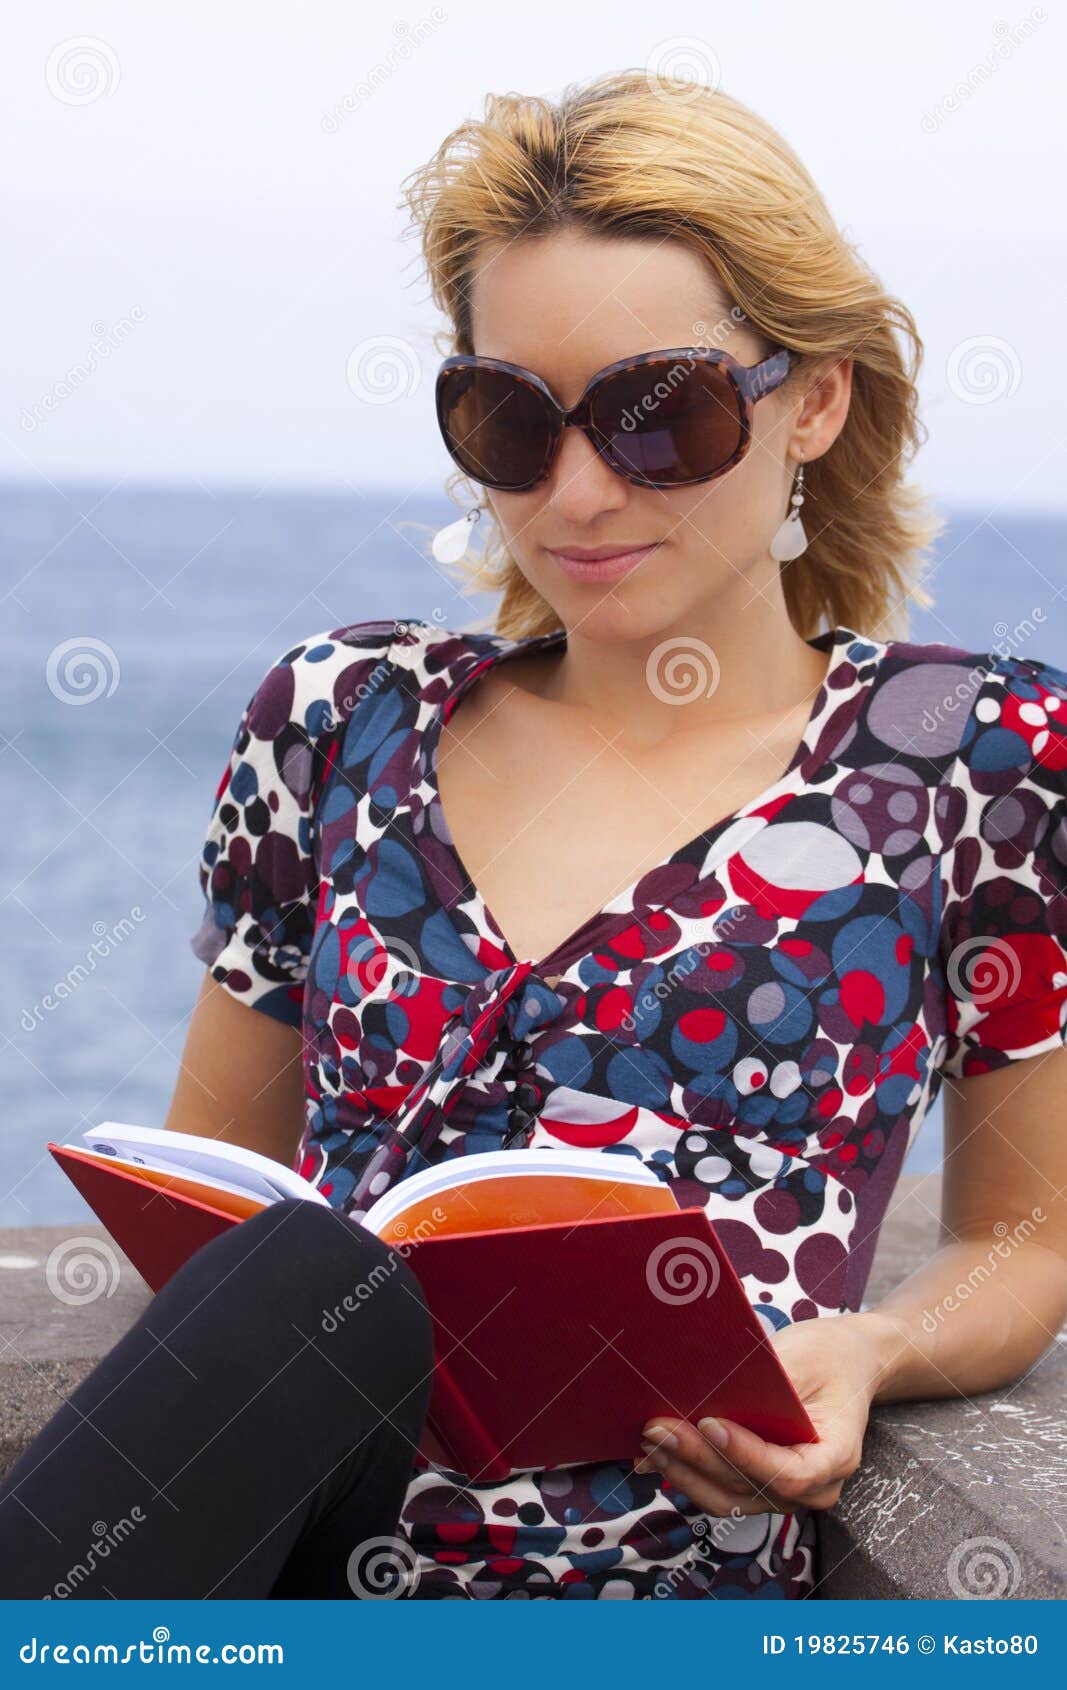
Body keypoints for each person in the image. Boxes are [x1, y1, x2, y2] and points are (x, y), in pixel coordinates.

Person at [4, 68, 1067, 1601]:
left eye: (662, 415)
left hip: (652, 1587)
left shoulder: (974, 762)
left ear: (814, 400)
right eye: (509, 418)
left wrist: (873, 1345)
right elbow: (216, 1207)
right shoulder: (335, 721)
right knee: (305, 1271)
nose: (576, 491)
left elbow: (1026, 1237)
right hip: (292, 1560)